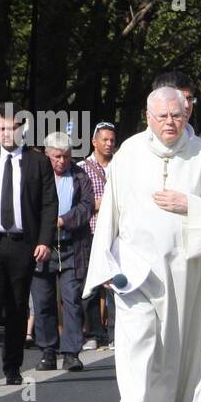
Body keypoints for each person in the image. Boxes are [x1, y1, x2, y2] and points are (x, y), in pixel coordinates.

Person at [83, 86, 201, 402]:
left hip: (185, 268)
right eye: (162, 115)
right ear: (149, 118)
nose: (170, 122)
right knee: (138, 338)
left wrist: (190, 204)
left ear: (187, 116)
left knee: (175, 346)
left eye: (177, 115)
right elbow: (110, 211)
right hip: (136, 269)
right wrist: (103, 262)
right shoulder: (130, 153)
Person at [0, 104, 57, 384]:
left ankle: (13, 367)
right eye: (0, 128)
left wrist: (45, 241)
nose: (5, 133)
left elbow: (49, 204)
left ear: (22, 129)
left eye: (11, 128)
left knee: (17, 306)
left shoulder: (37, 162)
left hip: (23, 245)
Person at [31, 133, 94, 373]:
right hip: (43, 247)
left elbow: (87, 206)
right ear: (47, 155)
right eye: (57, 156)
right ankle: (48, 351)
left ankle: (71, 353)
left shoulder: (79, 175)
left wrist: (63, 220)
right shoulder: (36, 176)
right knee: (43, 301)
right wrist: (45, 226)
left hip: (72, 246)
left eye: (66, 156)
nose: (62, 161)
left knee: (72, 301)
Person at [81, 121, 116, 349]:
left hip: (117, 232)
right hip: (91, 230)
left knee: (116, 284)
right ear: (94, 142)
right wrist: (98, 203)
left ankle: (115, 332)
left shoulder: (122, 165)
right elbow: (78, 202)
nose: (109, 144)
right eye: (104, 139)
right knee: (91, 283)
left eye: (112, 140)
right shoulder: (82, 168)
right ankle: (94, 332)